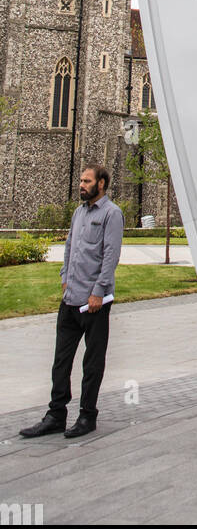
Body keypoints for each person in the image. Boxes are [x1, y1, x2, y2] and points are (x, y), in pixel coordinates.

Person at [19, 162, 124, 439]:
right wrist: (65, 277)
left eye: (87, 181)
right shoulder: (79, 212)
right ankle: (56, 415)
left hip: (94, 303)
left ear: (101, 184)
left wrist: (98, 292)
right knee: (61, 361)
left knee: (92, 363)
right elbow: (69, 247)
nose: (82, 184)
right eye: (81, 180)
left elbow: (110, 256)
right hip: (70, 299)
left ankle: (87, 416)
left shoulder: (112, 214)